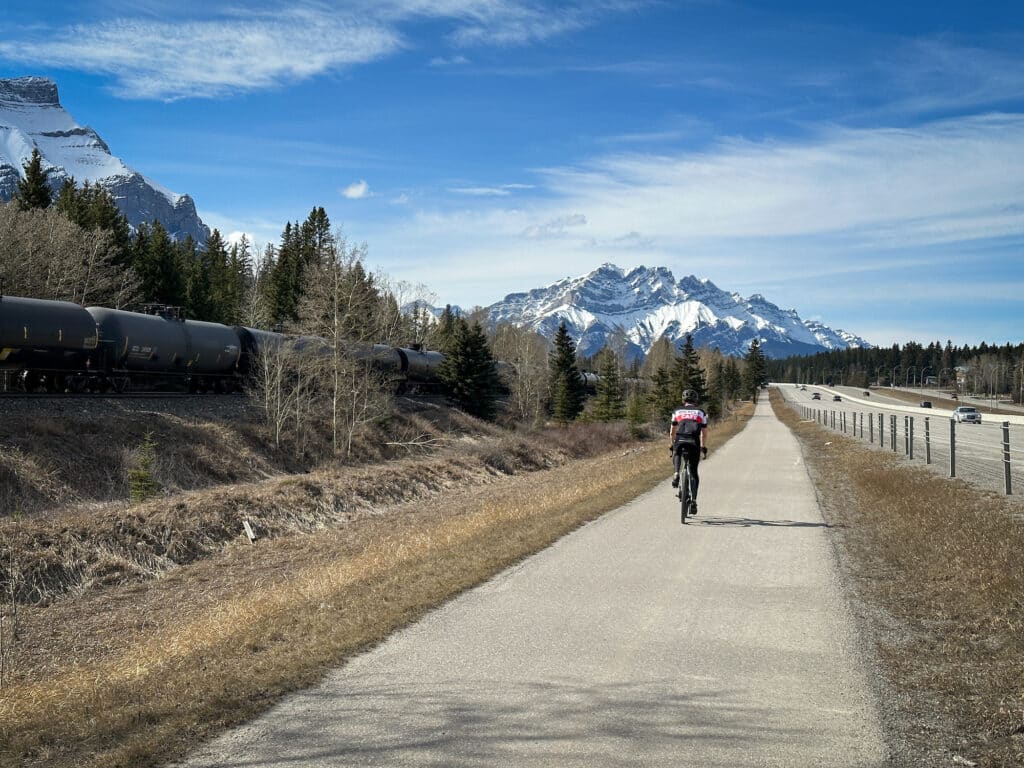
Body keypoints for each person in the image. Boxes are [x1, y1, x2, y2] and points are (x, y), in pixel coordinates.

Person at [669, 389, 709, 515]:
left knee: (676, 452)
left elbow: (672, 431)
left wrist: (672, 443)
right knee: (693, 471)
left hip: (680, 439)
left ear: (683, 400)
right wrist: (703, 446)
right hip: (694, 442)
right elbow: (704, 433)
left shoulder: (677, 411)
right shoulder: (701, 412)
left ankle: (676, 473)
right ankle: (694, 501)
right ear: (695, 401)